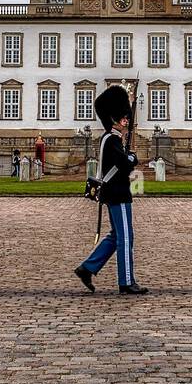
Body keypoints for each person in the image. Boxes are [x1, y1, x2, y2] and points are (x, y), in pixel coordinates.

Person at [74, 85, 148, 295]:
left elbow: (119, 164)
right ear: (114, 117)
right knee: (126, 237)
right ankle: (126, 281)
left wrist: (127, 157)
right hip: (118, 193)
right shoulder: (112, 139)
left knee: (116, 236)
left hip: (115, 192)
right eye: (123, 117)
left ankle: (87, 268)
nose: (126, 120)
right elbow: (123, 166)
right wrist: (132, 158)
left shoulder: (113, 138)